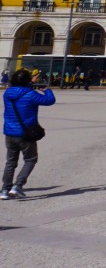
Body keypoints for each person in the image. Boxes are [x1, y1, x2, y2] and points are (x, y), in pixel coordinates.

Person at [2, 69, 55, 199]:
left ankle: (4, 190)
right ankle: (17, 186)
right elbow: (49, 100)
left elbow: (20, 91)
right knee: (30, 160)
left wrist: (29, 83)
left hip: (10, 132)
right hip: (26, 133)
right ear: (27, 81)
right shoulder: (31, 94)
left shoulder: (7, 93)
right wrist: (46, 90)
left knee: (10, 162)